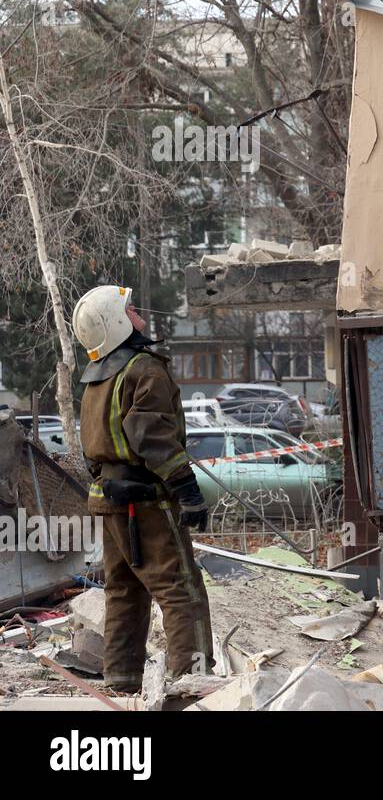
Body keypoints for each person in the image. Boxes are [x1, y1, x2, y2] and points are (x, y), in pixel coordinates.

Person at [73, 284, 213, 692]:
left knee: (124, 591)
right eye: (131, 311)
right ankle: (194, 683)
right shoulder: (143, 368)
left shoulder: (96, 377)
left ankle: (120, 681)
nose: (140, 316)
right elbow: (153, 438)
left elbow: (92, 448)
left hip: (109, 500)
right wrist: (186, 490)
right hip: (147, 502)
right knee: (180, 589)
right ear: (117, 323)